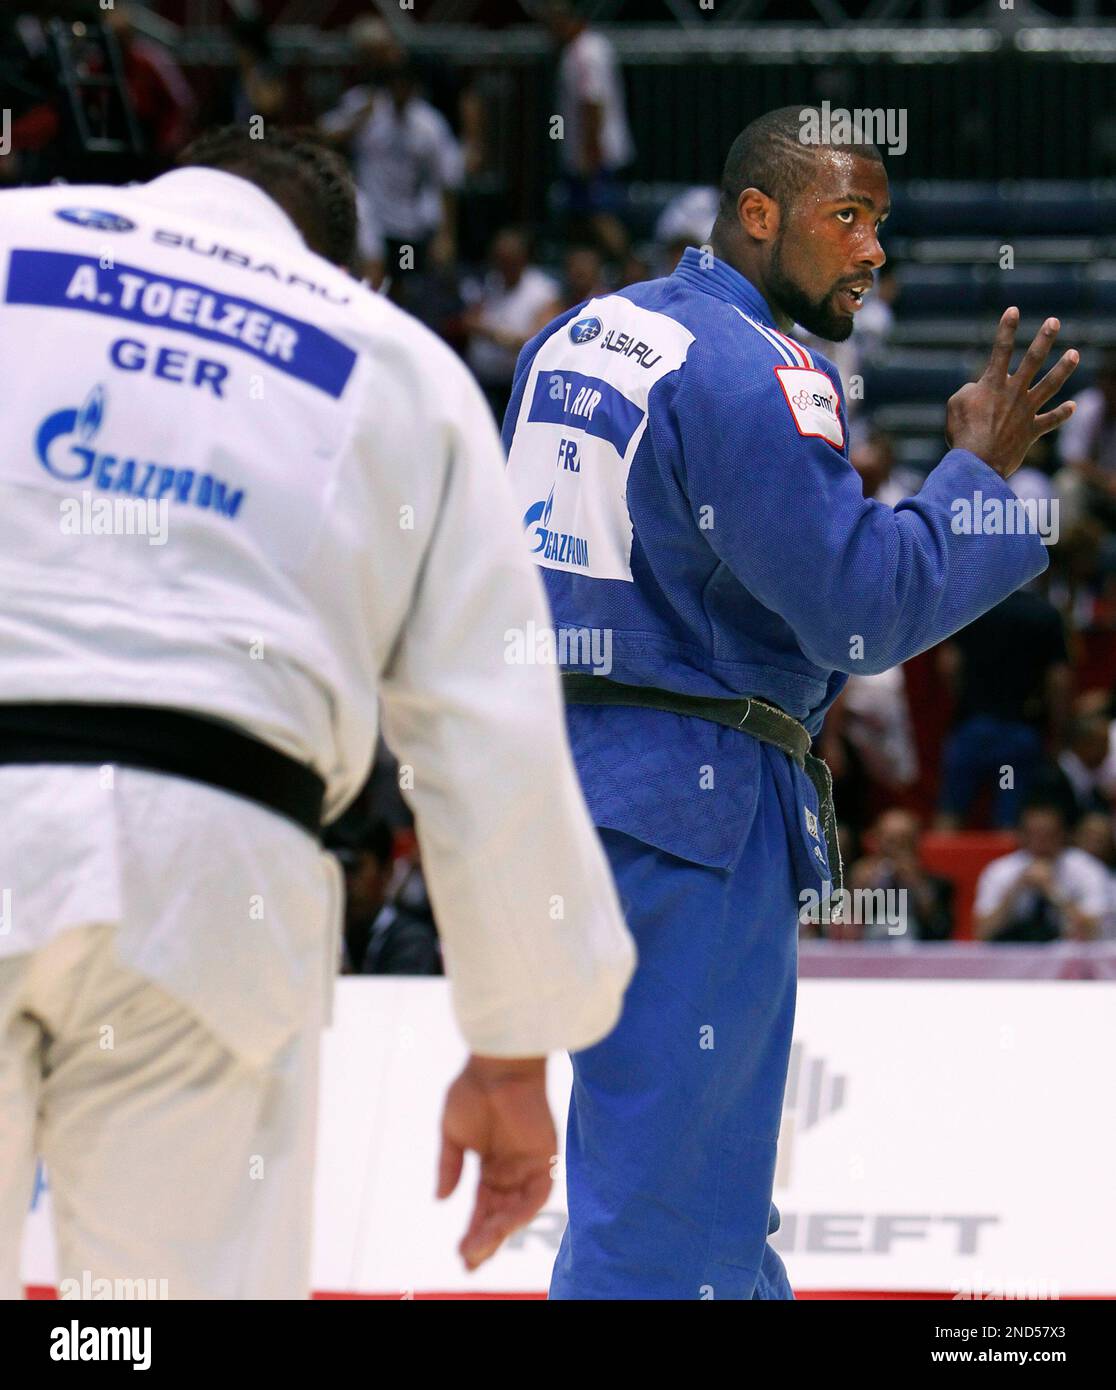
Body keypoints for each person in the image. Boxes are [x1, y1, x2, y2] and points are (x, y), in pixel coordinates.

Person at [0, 127, 634, 1300]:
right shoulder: (391, 358)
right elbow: (484, 722)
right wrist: (509, 1045)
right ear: (348, 273)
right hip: (211, 876)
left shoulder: (15, 243)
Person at [503, 105, 1079, 1299]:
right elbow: (859, 611)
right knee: (674, 1219)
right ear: (757, 216)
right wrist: (977, 477)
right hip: (691, 806)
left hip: (561, 793)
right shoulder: (754, 367)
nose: (874, 251)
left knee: (672, 1188)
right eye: (848, 218)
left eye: (883, 224)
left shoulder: (570, 337)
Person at [936, 588, 1071, 829]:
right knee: (1009, 817)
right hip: (1019, 730)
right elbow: (1059, 680)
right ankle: (1007, 865)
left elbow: (948, 664)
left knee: (951, 810)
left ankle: (936, 863)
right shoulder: (1044, 613)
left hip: (972, 726)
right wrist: (1058, 733)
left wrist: (965, 699)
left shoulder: (973, 606)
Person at [973, 803, 1108, 942]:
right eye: (1033, 834)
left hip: (1068, 955)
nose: (1040, 843)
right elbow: (982, 933)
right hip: (1013, 952)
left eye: (1048, 835)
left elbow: (1094, 931)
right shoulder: (1000, 870)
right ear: (1021, 835)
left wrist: (1053, 890)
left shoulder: (1087, 869)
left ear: (1063, 834)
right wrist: (1015, 889)